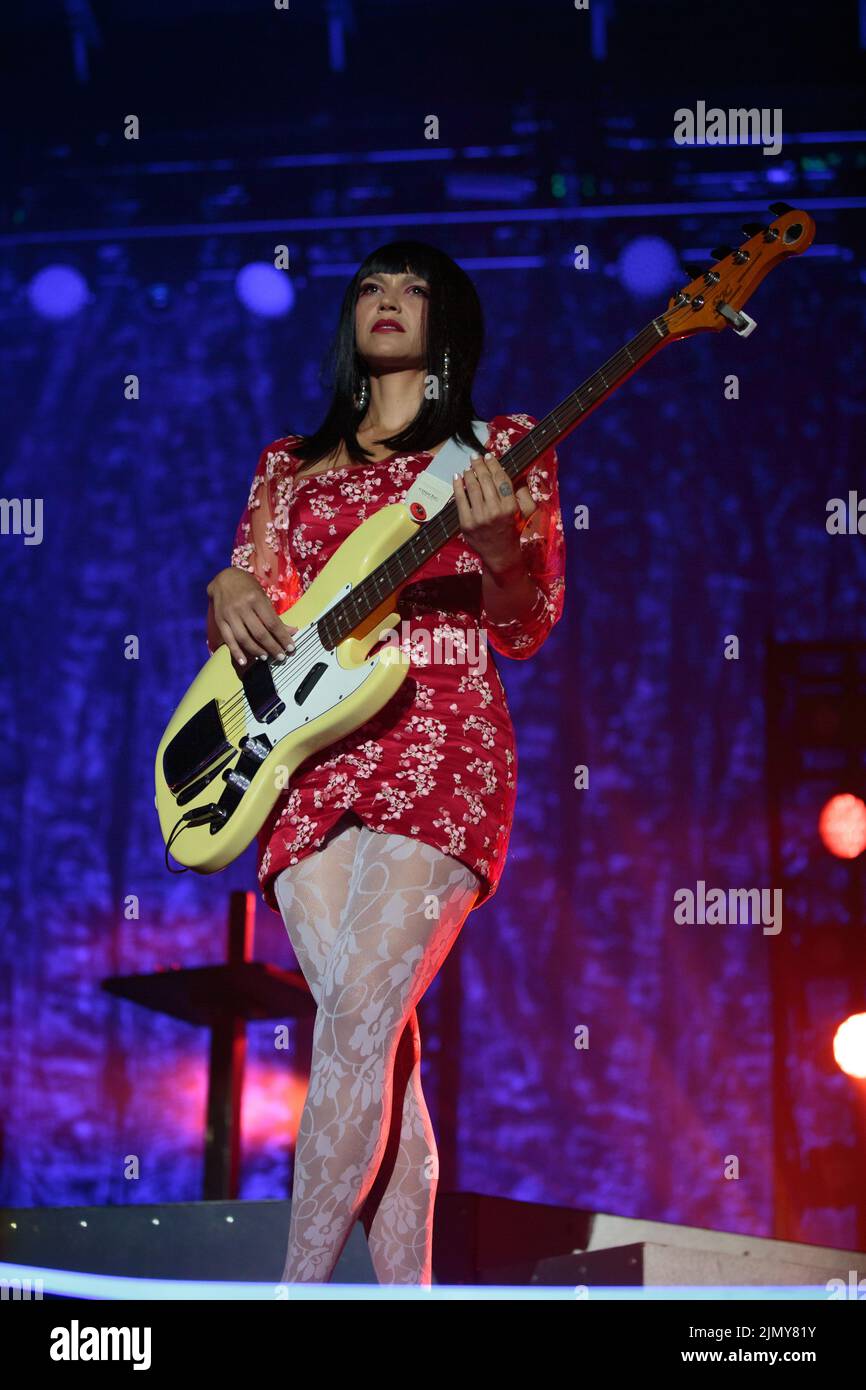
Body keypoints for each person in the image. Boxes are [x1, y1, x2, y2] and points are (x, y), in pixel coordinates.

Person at [205, 240, 565, 1285]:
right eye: (371, 284)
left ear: (445, 320)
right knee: (376, 1048)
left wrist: (501, 551)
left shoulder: (498, 447)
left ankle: (290, 1295)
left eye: (413, 287)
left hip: (438, 733)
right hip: (305, 760)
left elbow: (527, 624)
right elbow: (258, 606)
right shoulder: (287, 462)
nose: (389, 299)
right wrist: (223, 588)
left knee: (360, 1019)